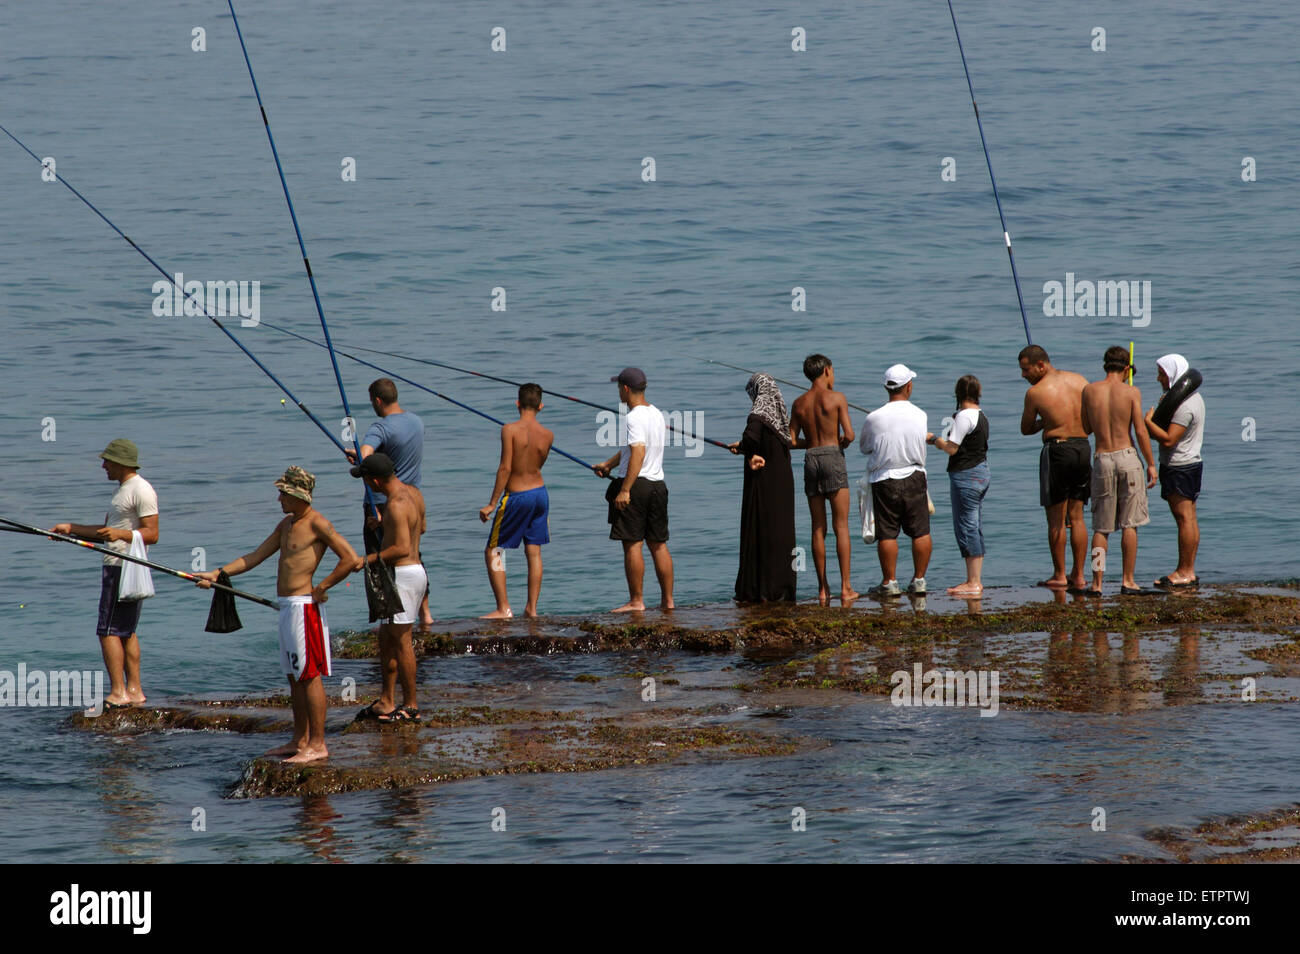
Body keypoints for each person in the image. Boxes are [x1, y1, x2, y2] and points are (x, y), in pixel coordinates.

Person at [196, 466, 361, 763]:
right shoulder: (285, 524)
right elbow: (254, 557)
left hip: (304, 608)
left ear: (298, 494)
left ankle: (318, 744)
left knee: (309, 676)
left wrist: (323, 585)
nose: (278, 499)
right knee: (293, 676)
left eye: (283, 493)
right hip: (285, 607)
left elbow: (350, 558)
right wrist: (217, 573)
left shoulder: (317, 523)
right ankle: (299, 740)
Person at [53, 439, 159, 709]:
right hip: (120, 565)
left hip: (123, 567)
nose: (103, 466)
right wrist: (71, 528)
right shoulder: (122, 490)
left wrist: (121, 534)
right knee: (126, 632)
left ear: (121, 462)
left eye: (107, 461)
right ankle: (134, 691)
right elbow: (106, 531)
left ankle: (118, 692)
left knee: (108, 630)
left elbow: (152, 533)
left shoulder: (141, 489)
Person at [345, 378, 431, 629]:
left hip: (382, 502)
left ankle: (388, 617)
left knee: (381, 561)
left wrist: (358, 458)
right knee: (414, 556)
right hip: (414, 498)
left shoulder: (380, 427)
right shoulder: (416, 421)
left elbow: (367, 454)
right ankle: (425, 614)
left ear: (377, 401)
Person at [593, 367, 674, 612]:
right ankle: (668, 602)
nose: (618, 391)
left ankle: (637, 601)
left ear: (626, 389)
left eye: (619, 387)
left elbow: (638, 452)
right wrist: (608, 464)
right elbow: (632, 451)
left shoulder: (632, 417)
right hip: (658, 485)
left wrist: (625, 489)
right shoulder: (657, 414)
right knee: (658, 544)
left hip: (637, 487)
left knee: (632, 544)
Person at [353, 453, 426, 722]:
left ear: (375, 481)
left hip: (402, 575)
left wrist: (367, 560)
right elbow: (422, 528)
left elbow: (401, 548)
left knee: (402, 640)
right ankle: (386, 700)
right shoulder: (414, 495)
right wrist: (385, 525)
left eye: (366, 482)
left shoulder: (395, 504)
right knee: (386, 637)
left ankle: (411, 705)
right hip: (414, 572)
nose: (368, 487)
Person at [1080, 346, 1158, 595]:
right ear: (1126, 368)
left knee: (1101, 529)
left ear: (1105, 366)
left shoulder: (1089, 390)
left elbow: (1085, 426)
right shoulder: (1132, 391)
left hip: (1102, 457)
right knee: (1129, 524)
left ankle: (1096, 584)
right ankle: (1128, 580)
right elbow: (1140, 430)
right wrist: (1151, 464)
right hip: (1127, 456)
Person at [1018, 345, 1091, 591]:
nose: (1023, 375)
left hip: (1057, 451)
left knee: (1056, 520)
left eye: (1026, 369)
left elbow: (1026, 429)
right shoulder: (1080, 380)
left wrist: (1044, 422)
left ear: (1041, 365)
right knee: (1078, 518)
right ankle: (1079, 575)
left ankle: (1060, 574)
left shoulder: (1035, 392)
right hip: (1082, 447)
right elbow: (1091, 420)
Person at [478, 383, 554, 618]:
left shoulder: (509, 430)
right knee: (534, 551)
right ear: (541, 406)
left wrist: (492, 502)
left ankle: (504, 608)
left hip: (517, 496)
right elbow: (537, 464)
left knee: (494, 550)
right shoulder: (548, 435)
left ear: (517, 403)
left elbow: (506, 468)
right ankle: (532, 608)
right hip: (540, 494)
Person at [789, 353, 858, 606]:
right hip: (832, 457)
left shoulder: (798, 403)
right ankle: (846, 588)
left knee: (818, 527)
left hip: (811, 459)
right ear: (827, 371)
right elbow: (849, 434)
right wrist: (840, 441)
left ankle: (822, 589)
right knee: (841, 525)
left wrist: (814, 443)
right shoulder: (837, 398)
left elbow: (791, 440)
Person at [859, 364, 931, 597]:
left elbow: (865, 448)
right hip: (914, 476)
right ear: (908, 386)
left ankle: (889, 582)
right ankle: (919, 580)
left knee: (887, 533)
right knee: (920, 531)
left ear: (886, 388)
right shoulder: (921, 415)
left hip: (884, 479)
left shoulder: (873, 417)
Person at [728, 373, 797, 603]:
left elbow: (752, 438)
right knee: (781, 532)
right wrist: (746, 448)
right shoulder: (778, 417)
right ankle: (783, 588)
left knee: (761, 530)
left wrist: (744, 448)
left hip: (764, 484)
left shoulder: (757, 414)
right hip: (783, 483)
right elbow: (762, 444)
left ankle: (759, 589)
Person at [1143, 353, 1204, 587]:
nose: (1158, 378)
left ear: (1173, 374)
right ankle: (1188, 570)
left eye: (1162, 374)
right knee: (1189, 518)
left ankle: (1184, 571)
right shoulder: (1189, 399)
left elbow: (1169, 440)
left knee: (1184, 519)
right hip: (1189, 464)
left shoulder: (1185, 406)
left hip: (1180, 466)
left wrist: (1148, 422)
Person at [928, 375, 989, 596]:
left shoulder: (964, 416)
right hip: (981, 472)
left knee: (967, 526)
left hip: (967, 476)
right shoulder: (981, 415)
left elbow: (952, 448)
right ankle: (975, 579)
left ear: (959, 394)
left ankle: (973, 582)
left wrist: (934, 439)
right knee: (974, 524)